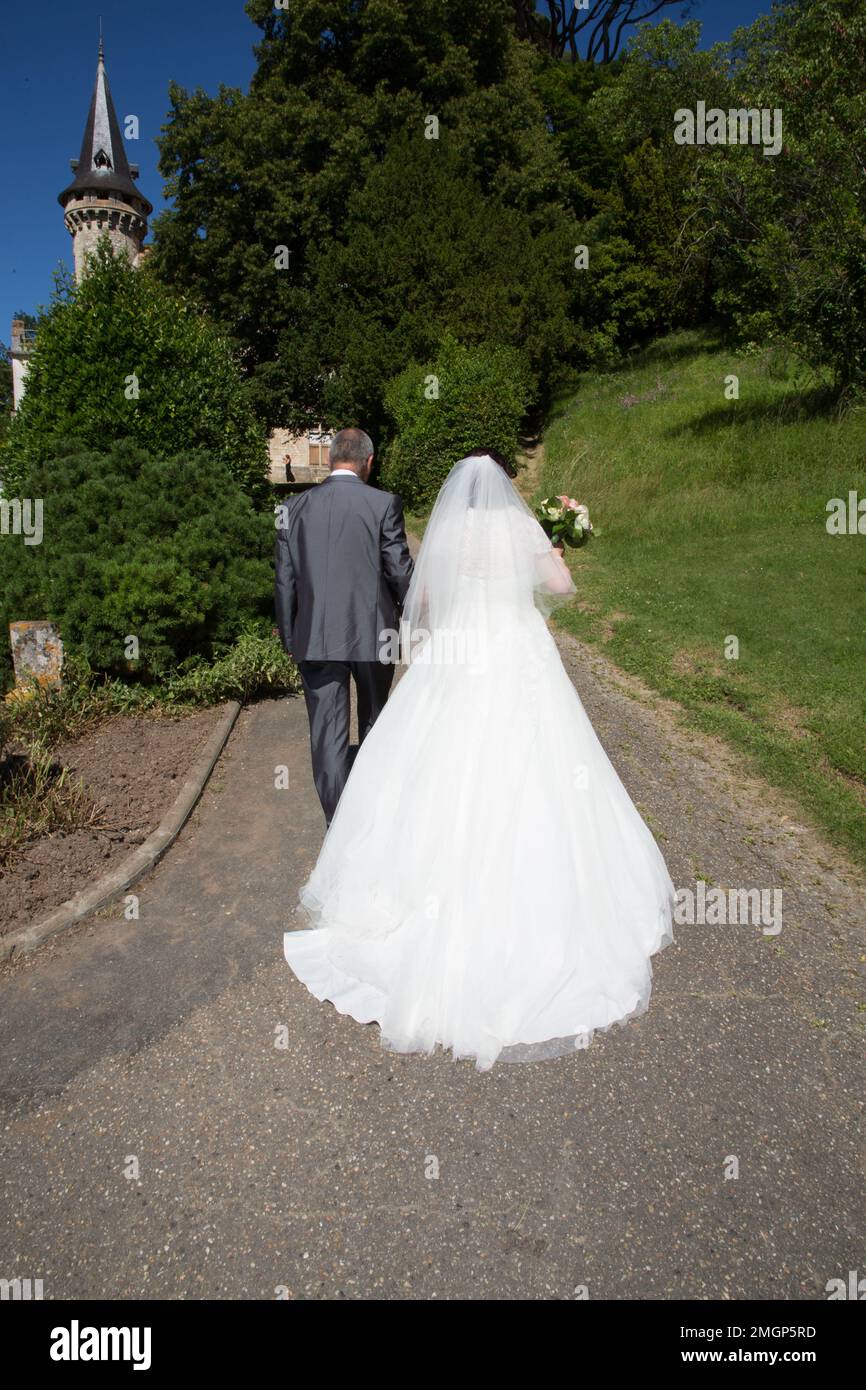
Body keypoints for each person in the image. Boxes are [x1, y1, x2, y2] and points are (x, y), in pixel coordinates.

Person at [283, 450, 675, 1070]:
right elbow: (562, 589)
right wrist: (554, 561)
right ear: (508, 492)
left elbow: (427, 603)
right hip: (518, 653)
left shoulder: (451, 532)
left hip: (458, 659)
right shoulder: (522, 528)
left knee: (433, 763)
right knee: (537, 766)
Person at [274, 427, 414, 824]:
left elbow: (285, 580)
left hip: (315, 637)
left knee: (327, 737)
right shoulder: (384, 504)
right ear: (369, 462)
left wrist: (290, 636)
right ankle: (373, 817)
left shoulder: (293, 508)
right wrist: (418, 612)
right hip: (375, 635)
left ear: (332, 457)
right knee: (374, 724)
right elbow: (399, 571)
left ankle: (340, 826)